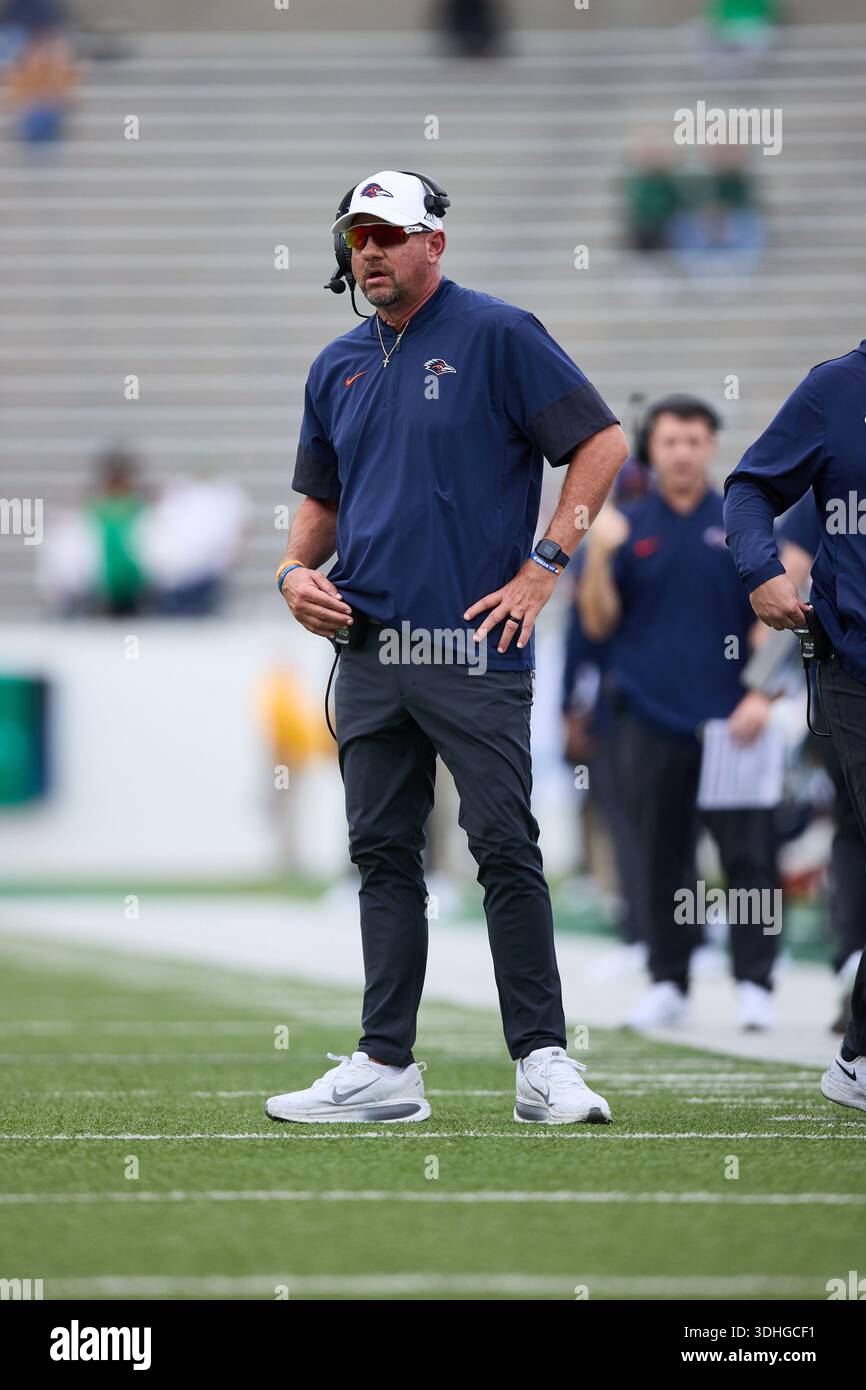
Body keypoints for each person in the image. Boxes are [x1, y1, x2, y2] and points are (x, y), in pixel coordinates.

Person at [267, 169, 628, 1126]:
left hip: (475, 643)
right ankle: (386, 1066)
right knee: (383, 856)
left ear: (434, 242)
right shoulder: (335, 361)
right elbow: (321, 505)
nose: (370, 251)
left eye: (388, 233)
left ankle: (543, 1062)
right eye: (357, 236)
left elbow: (600, 444)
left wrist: (544, 565)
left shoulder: (501, 334)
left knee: (505, 847)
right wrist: (292, 574)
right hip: (370, 647)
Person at [578, 394, 781, 1032]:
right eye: (671, 441)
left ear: (711, 446)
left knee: (749, 859)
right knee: (663, 858)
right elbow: (597, 623)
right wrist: (600, 555)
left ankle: (755, 983)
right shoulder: (628, 525)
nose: (683, 452)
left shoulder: (741, 525)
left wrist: (759, 695)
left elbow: (772, 621)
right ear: (653, 449)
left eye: (694, 440)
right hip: (650, 718)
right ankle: (669, 980)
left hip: (731, 723)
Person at [723, 342, 866, 1113]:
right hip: (853, 665)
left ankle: (856, 1053)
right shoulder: (836, 391)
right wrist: (761, 570)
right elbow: (751, 489)